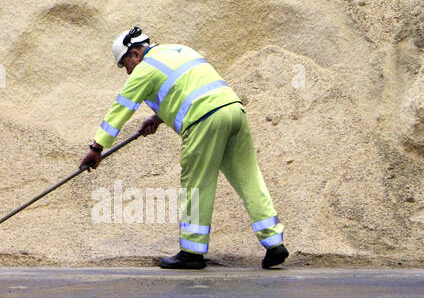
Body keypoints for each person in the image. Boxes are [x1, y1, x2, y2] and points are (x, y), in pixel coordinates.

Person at [80, 27, 289, 270]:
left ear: (136, 53)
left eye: (125, 63)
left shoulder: (145, 69)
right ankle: (274, 243)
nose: (126, 71)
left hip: (204, 120)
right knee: (249, 178)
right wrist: (158, 118)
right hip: (233, 111)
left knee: (196, 186)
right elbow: (187, 87)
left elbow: (121, 109)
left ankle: (192, 252)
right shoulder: (179, 50)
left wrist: (97, 148)